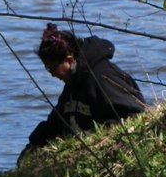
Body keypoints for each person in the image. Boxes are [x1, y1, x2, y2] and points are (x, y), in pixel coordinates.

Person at [22, 22, 147, 158]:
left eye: (53, 69)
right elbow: (56, 123)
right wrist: (32, 146)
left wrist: (91, 137)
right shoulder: (73, 82)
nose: (52, 74)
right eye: (48, 70)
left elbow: (134, 116)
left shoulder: (103, 78)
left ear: (69, 60)